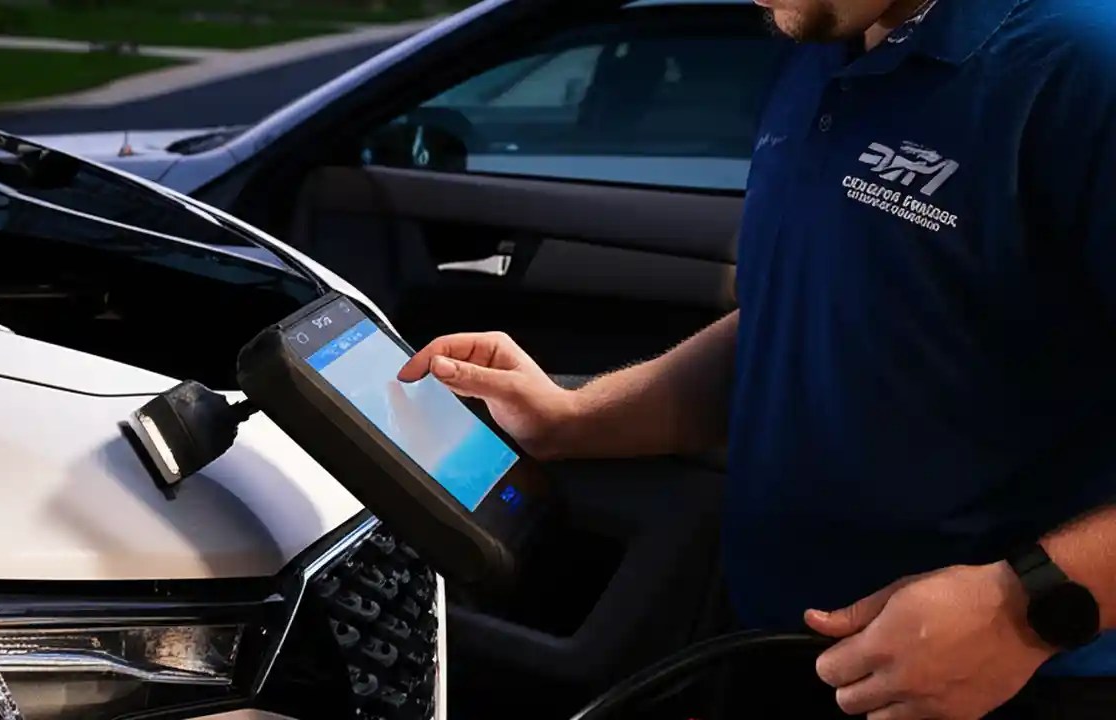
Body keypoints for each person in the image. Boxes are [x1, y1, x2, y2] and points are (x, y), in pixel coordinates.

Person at [397, 0, 1116, 717]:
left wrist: (1020, 610)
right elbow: (819, 312)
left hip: (1009, 681)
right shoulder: (822, 38)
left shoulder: (1084, 65)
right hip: (777, 642)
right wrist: (575, 419)